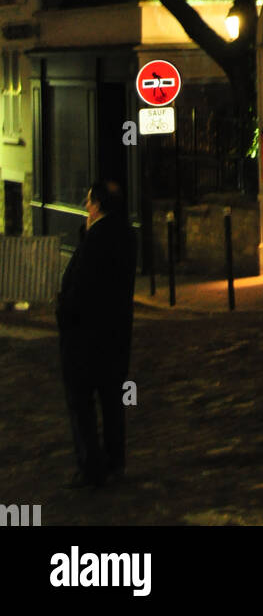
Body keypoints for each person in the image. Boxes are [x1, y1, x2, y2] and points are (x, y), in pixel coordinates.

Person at [56, 180, 138, 487]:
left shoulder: (95, 240)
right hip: (116, 337)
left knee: (82, 403)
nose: (86, 207)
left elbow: (82, 288)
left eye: (89, 202)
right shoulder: (127, 236)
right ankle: (115, 461)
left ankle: (91, 466)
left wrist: (64, 315)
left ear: (98, 205)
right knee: (113, 402)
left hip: (85, 338)